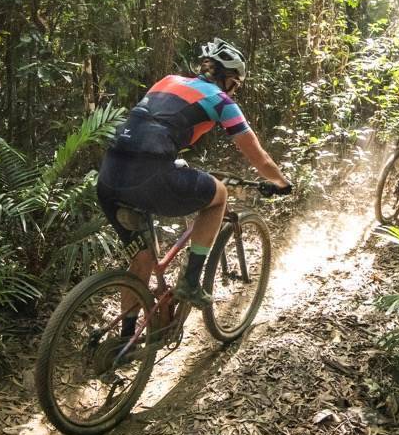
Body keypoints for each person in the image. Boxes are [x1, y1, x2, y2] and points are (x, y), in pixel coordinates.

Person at [97, 38, 292, 313]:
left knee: (141, 262)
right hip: (149, 176)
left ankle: (126, 337)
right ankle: (189, 281)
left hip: (109, 176)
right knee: (219, 195)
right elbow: (258, 157)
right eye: (236, 84)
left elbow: (150, 129)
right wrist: (281, 182)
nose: (235, 90)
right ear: (228, 79)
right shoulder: (220, 101)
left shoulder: (166, 81)